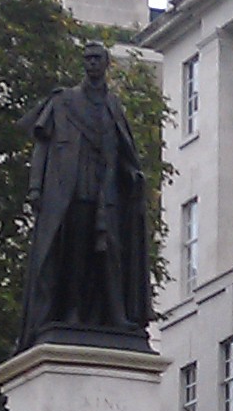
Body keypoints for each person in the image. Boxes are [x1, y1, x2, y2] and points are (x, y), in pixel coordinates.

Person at [18, 42, 152, 350]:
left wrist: (132, 175)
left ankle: (117, 314)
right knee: (76, 254)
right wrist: (36, 187)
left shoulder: (113, 106)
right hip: (74, 189)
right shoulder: (64, 101)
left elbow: (124, 150)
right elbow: (42, 146)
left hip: (108, 190)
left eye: (96, 59)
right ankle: (74, 312)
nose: (91, 64)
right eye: (87, 59)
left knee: (112, 255)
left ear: (106, 64)